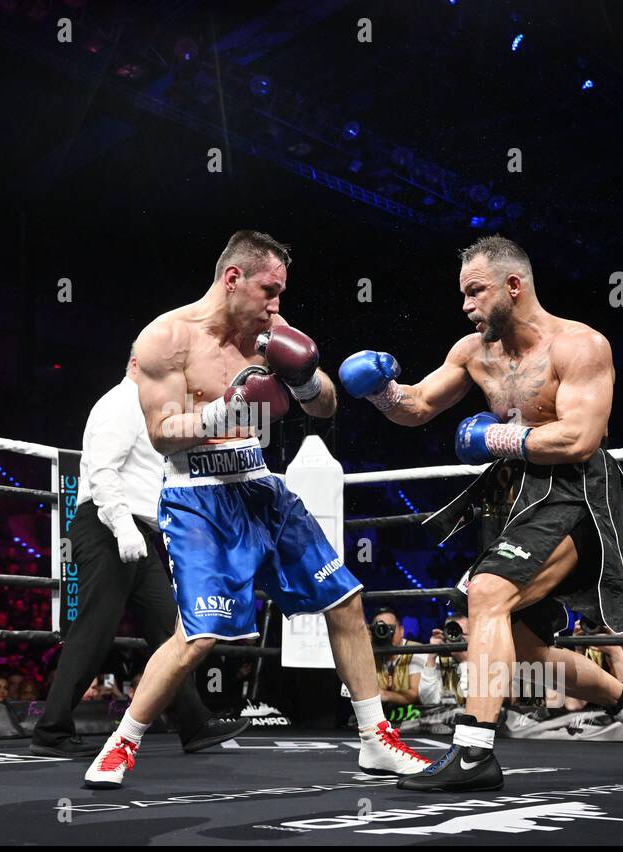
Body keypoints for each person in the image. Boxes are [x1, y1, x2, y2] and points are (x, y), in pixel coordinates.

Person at [339, 236, 623, 792]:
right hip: (512, 500)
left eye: (474, 291)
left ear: (514, 286)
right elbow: (417, 406)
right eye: (462, 293)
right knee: (529, 647)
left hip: (575, 496)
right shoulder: (472, 352)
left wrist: (496, 435)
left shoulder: (579, 346)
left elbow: (580, 437)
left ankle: (474, 749)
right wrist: (379, 391)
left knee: (486, 593)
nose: (465, 305)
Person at [83, 230, 432, 789]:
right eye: (269, 290)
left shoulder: (273, 334)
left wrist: (303, 376)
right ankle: (122, 742)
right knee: (198, 636)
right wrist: (229, 408)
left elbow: (325, 407)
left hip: (261, 487)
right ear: (232, 279)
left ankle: (376, 739)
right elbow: (163, 435)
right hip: (197, 497)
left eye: (281, 292)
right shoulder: (165, 339)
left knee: (345, 599)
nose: (277, 304)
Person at [31, 359, 248, 758]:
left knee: (171, 631)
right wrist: (122, 526)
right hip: (107, 526)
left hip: (141, 533)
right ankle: (51, 729)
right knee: (94, 630)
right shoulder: (119, 402)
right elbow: (102, 472)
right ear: (135, 363)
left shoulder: (153, 410)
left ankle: (194, 722)